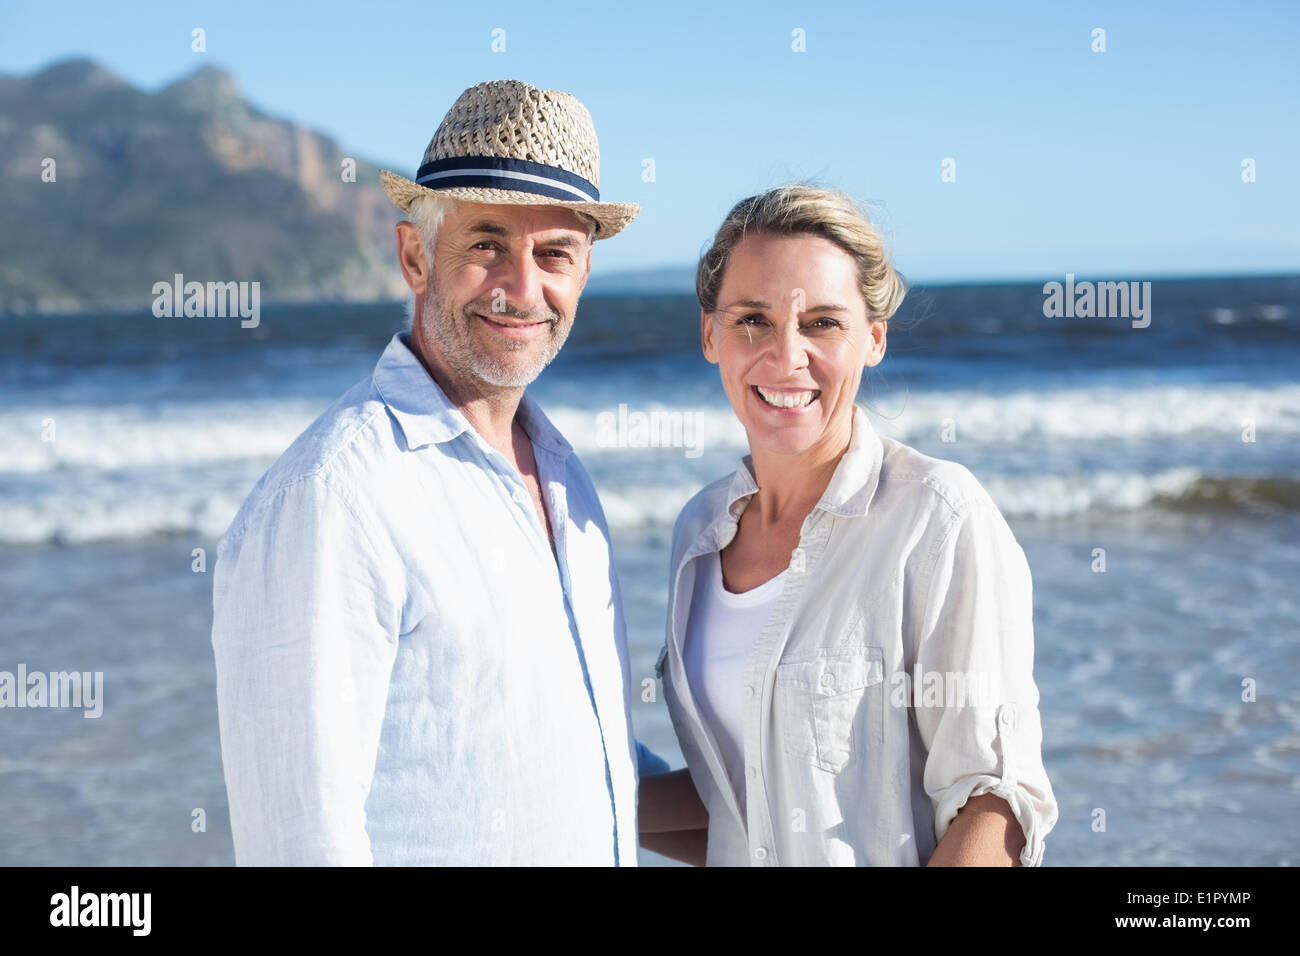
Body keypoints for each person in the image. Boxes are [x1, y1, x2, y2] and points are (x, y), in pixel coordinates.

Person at [211, 79, 666, 865]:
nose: (524, 288)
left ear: (584, 273)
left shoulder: (564, 477)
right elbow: (301, 838)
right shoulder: (336, 497)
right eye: (486, 243)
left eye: (554, 252)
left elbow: (571, 752)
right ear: (415, 256)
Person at [638, 184, 1058, 866]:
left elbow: (996, 804)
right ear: (711, 335)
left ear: (874, 339)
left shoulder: (938, 518)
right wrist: (567, 789)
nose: (786, 355)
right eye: (752, 319)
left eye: (823, 323)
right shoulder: (698, 534)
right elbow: (742, 797)